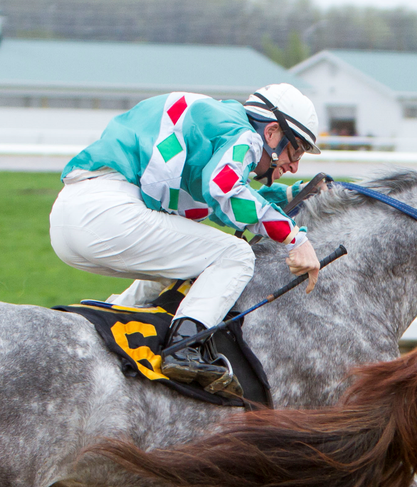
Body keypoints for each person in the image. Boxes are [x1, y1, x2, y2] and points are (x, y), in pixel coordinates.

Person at [50, 83, 324, 394]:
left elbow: (212, 200)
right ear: (272, 132)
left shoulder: (219, 125)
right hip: (105, 212)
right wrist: (295, 239)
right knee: (234, 256)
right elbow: (225, 191)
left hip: (71, 215)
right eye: (296, 148)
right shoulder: (244, 135)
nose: (294, 164)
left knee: (185, 261)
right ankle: (184, 348)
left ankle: (109, 316)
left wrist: (287, 195)